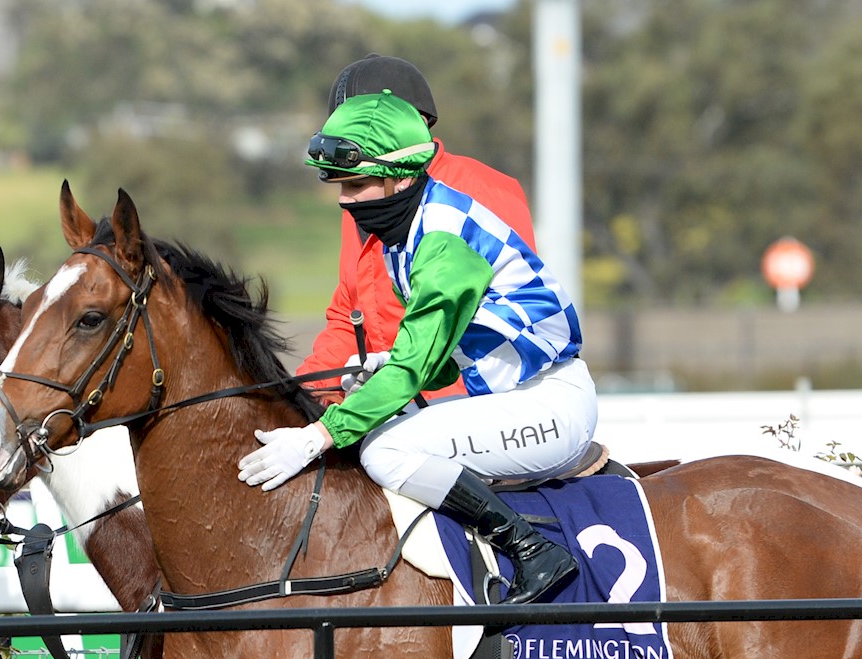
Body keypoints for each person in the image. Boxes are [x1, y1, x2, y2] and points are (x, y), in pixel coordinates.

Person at [238, 91, 597, 605]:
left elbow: (413, 366)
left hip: (549, 404)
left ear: (401, 176)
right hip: (510, 391)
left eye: (356, 185)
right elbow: (431, 354)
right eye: (339, 185)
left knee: (386, 450)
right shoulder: (407, 230)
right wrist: (376, 367)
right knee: (379, 426)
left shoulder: (442, 245)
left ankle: (531, 550)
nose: (345, 200)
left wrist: (317, 436)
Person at [297, 54, 537, 403]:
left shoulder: (479, 192)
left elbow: (479, 329)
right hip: (392, 392)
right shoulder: (367, 191)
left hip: (472, 396)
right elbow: (349, 320)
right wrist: (302, 393)